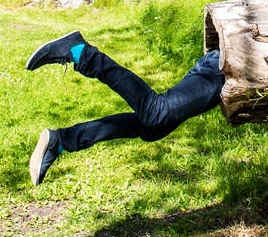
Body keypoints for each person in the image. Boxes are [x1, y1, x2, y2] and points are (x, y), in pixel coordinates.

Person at [26, 30, 225, 186]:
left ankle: (61, 141)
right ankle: (81, 52)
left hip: (218, 66)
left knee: (153, 127)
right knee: (157, 113)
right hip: (223, 70)